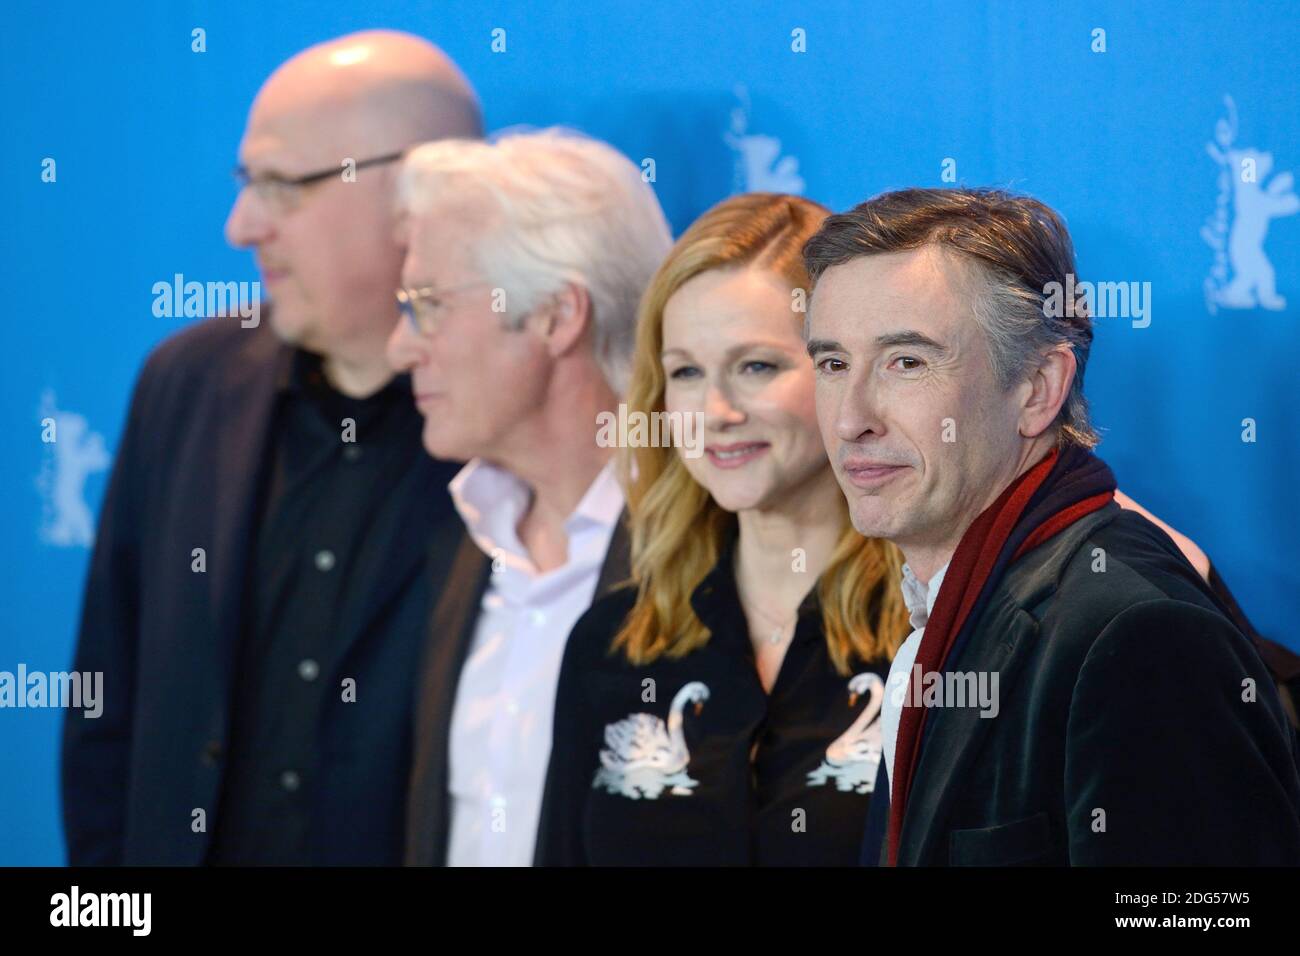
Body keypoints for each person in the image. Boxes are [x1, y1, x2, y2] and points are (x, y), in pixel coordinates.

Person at [61, 30, 482, 866]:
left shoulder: (508, 412)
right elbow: (107, 708)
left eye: (280, 186)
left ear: (416, 191)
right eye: (246, 183)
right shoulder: (187, 385)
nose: (240, 226)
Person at [803, 186, 1300, 865]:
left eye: (906, 362)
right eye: (832, 364)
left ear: (1037, 388)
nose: (850, 418)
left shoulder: (1135, 634)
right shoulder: (957, 598)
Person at [534, 193, 911, 866]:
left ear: (842, 373)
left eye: (756, 366)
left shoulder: (939, 635)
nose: (714, 411)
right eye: (686, 372)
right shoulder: (613, 645)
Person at [387, 129, 674, 866]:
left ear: (556, 314)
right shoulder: (458, 538)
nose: (401, 346)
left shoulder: (706, 552)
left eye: (427, 304)